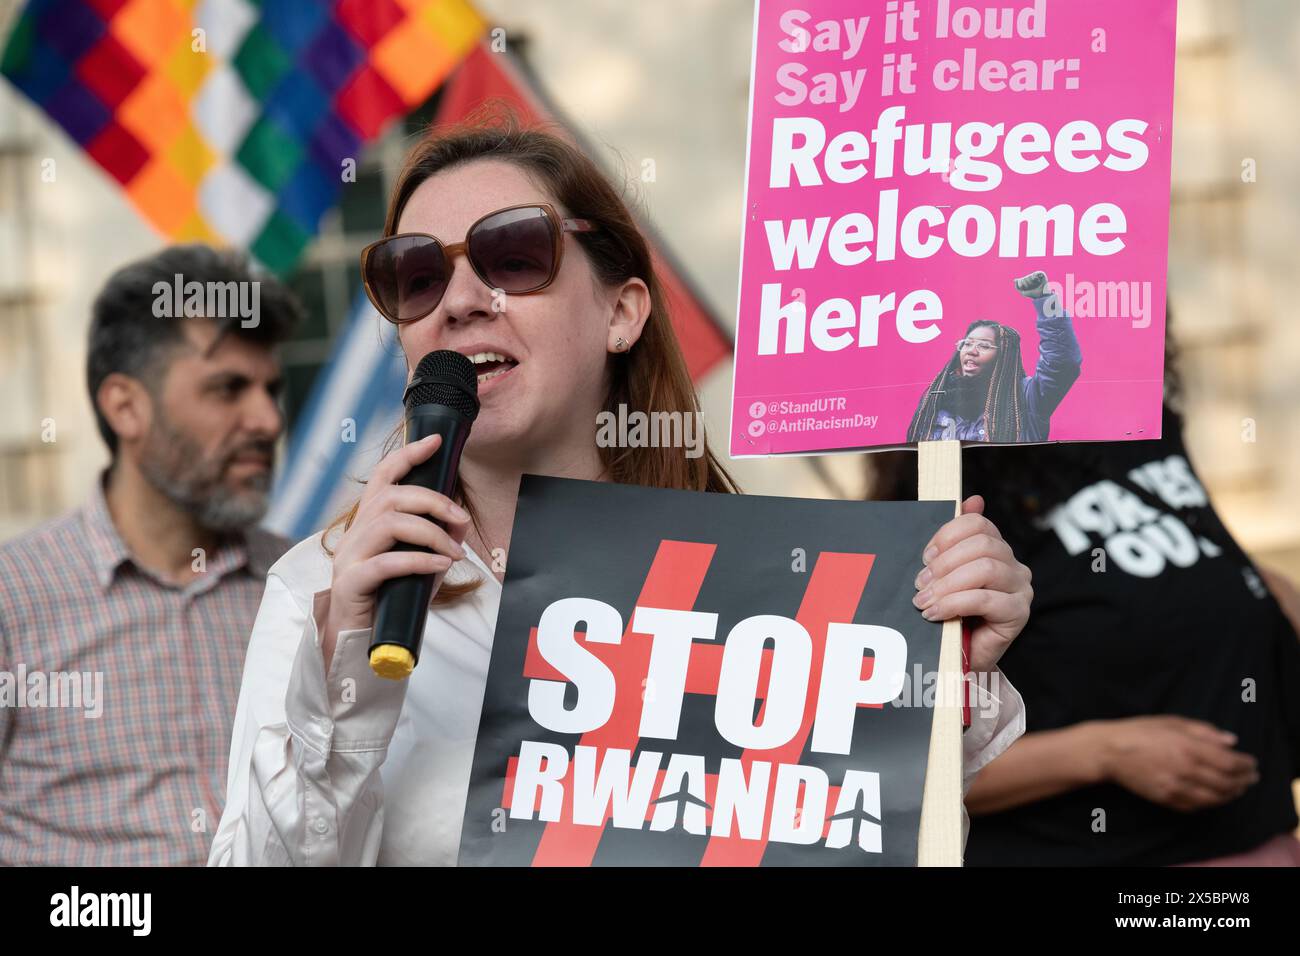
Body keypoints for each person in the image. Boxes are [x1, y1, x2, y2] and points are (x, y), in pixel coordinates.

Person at [208, 112, 1034, 867]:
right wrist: (345, 686)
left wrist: (943, 676)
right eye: (415, 275)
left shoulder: (775, 582)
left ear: (623, 312)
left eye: (513, 258)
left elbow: (867, 843)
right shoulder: (323, 590)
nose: (459, 301)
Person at [873, 363, 1300, 865]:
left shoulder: (1138, 418)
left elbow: (1211, 570)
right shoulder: (952, 486)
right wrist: (1102, 753)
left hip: (1257, 838)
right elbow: (902, 764)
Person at [0, 245, 300, 865]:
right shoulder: (13, 598)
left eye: (273, 390)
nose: (267, 420)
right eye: (229, 389)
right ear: (125, 406)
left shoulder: (307, 585)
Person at [907, 271, 1082, 443]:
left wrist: (1045, 300)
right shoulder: (937, 399)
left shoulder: (1026, 397)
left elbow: (1062, 363)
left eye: (983, 346)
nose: (971, 351)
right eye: (967, 344)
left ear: (1003, 356)